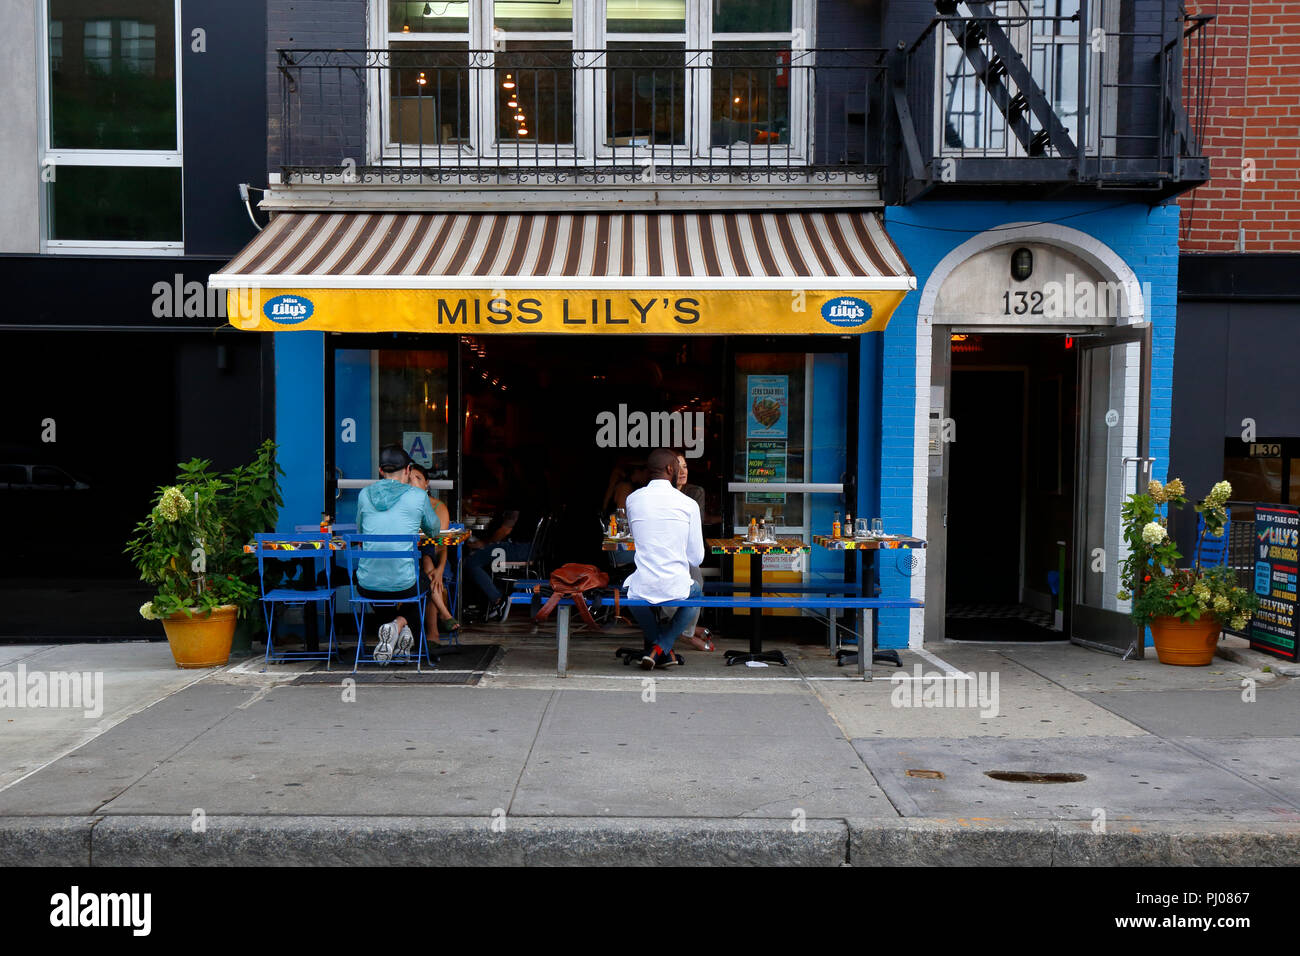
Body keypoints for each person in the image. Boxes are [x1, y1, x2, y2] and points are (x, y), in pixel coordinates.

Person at [354, 446, 443, 663]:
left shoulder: (364, 494)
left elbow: (360, 531)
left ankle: (395, 632)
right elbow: (434, 530)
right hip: (405, 583)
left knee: (374, 584)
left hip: (367, 585)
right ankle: (398, 625)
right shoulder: (417, 495)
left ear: (380, 470)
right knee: (424, 583)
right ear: (408, 470)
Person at [624, 447, 704, 669]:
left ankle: (657, 649)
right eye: (678, 467)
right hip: (675, 584)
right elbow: (696, 558)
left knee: (632, 593)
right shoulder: (688, 504)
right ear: (671, 469)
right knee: (696, 592)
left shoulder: (632, 500)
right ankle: (662, 647)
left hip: (642, 586)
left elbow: (635, 537)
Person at [409, 464, 459, 641]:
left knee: (431, 574)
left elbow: (441, 544)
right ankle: (436, 629)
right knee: (426, 571)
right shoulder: (404, 509)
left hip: (437, 559)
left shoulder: (438, 507)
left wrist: (439, 569)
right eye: (409, 479)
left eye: (418, 479)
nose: (413, 483)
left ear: (426, 483)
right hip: (408, 562)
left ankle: (432, 633)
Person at [673, 450, 715, 652]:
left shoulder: (694, 492)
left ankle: (686, 630)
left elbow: (693, 524)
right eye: (677, 466)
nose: (682, 471)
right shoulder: (656, 493)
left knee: (696, 581)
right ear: (667, 470)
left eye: (685, 466)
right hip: (664, 552)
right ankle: (685, 631)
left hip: (686, 551)